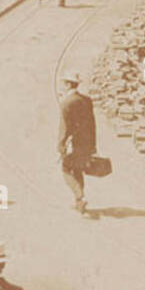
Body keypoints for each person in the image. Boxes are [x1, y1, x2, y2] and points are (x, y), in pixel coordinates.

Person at [58, 71, 97, 216]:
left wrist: (61, 145)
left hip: (72, 143)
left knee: (66, 170)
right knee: (78, 170)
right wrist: (93, 145)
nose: (62, 87)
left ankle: (80, 196)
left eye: (64, 84)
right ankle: (79, 202)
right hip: (86, 142)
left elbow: (64, 127)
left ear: (68, 84)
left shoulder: (67, 103)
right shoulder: (87, 100)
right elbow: (92, 124)